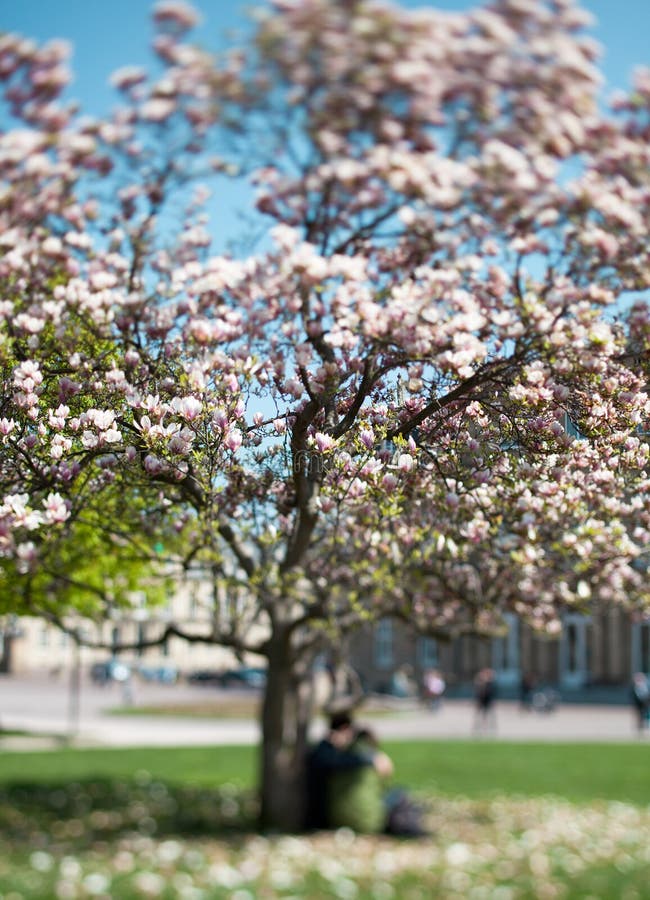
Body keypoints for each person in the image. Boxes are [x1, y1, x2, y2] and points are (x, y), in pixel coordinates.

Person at [304, 712, 393, 831]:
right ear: (344, 729)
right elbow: (336, 761)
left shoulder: (332, 753)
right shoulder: (327, 755)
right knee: (397, 797)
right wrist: (372, 758)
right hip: (325, 817)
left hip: (330, 816)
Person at [474, 667, 497, 734]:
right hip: (482, 701)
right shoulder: (481, 683)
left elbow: (492, 692)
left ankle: (490, 727)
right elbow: (478, 691)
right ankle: (479, 727)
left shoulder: (490, 683)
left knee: (490, 715)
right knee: (480, 715)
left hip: (488, 700)